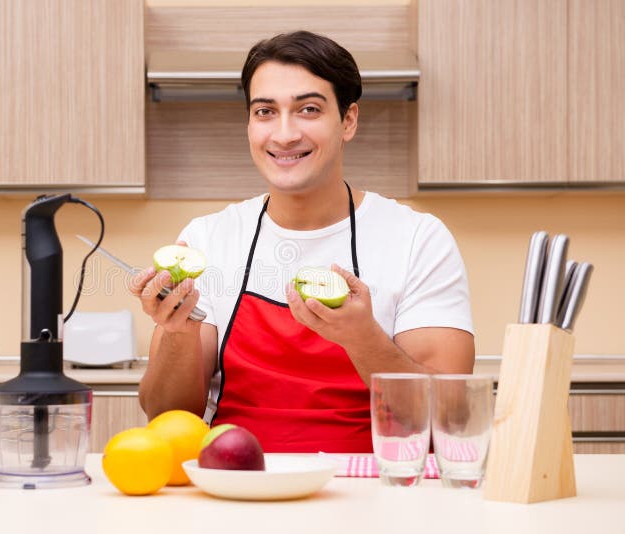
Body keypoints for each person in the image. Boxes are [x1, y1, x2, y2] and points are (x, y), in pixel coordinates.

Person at [130, 31, 474, 453]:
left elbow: (449, 417)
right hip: (237, 485)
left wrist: (363, 337)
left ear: (348, 121)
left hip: (374, 493)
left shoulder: (418, 239)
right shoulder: (208, 239)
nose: (285, 133)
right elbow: (165, 416)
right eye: (265, 111)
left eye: (308, 109)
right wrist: (175, 331)